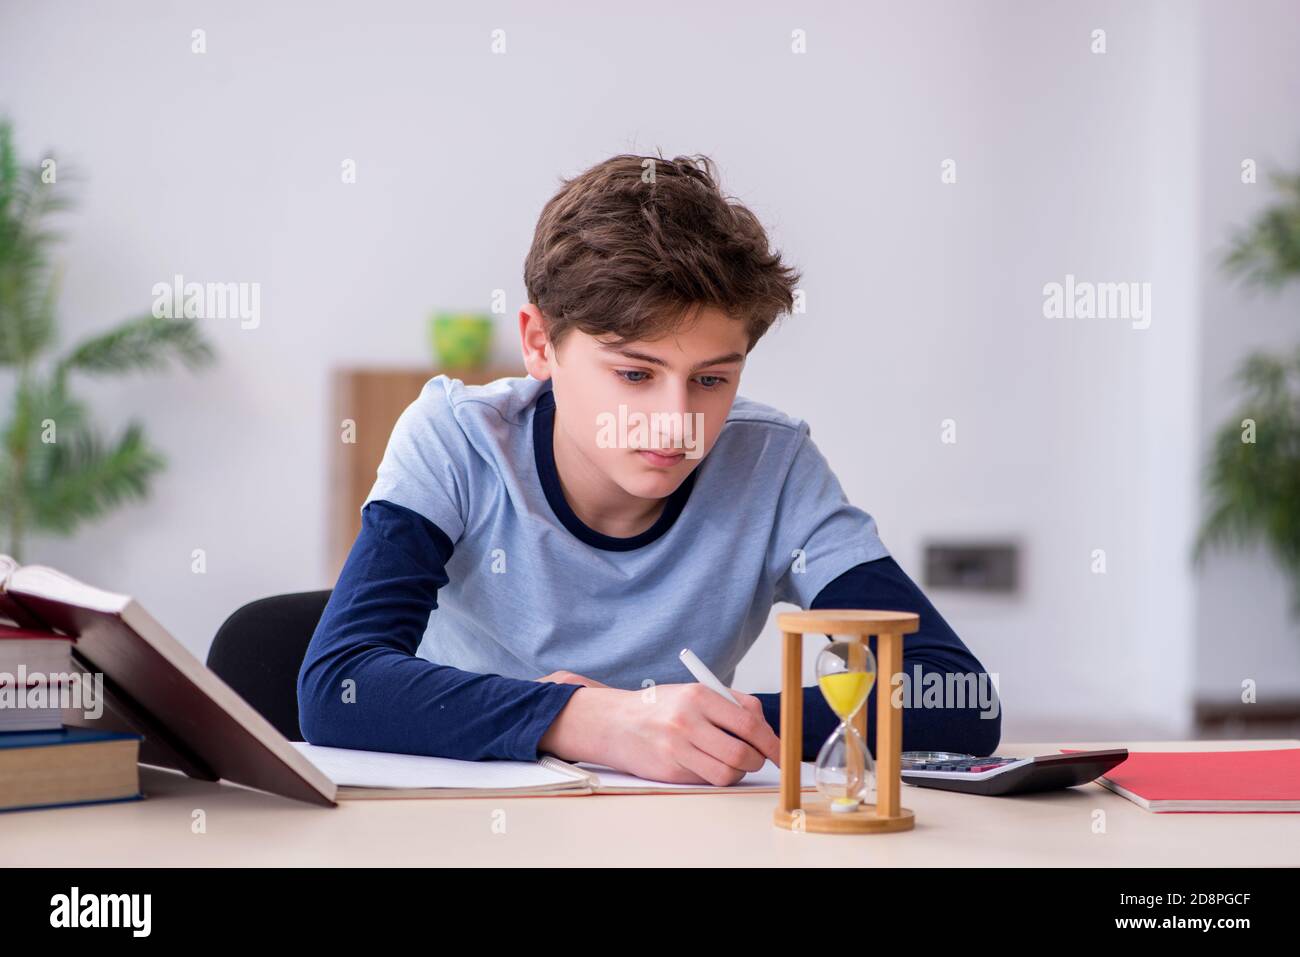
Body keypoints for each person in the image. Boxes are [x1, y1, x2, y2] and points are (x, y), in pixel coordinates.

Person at [298, 153, 1001, 786]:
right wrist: (593, 719)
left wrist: (698, 721)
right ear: (540, 344)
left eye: (711, 380)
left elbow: (955, 695)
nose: (676, 422)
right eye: (635, 372)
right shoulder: (456, 441)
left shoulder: (773, 463)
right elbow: (339, 683)